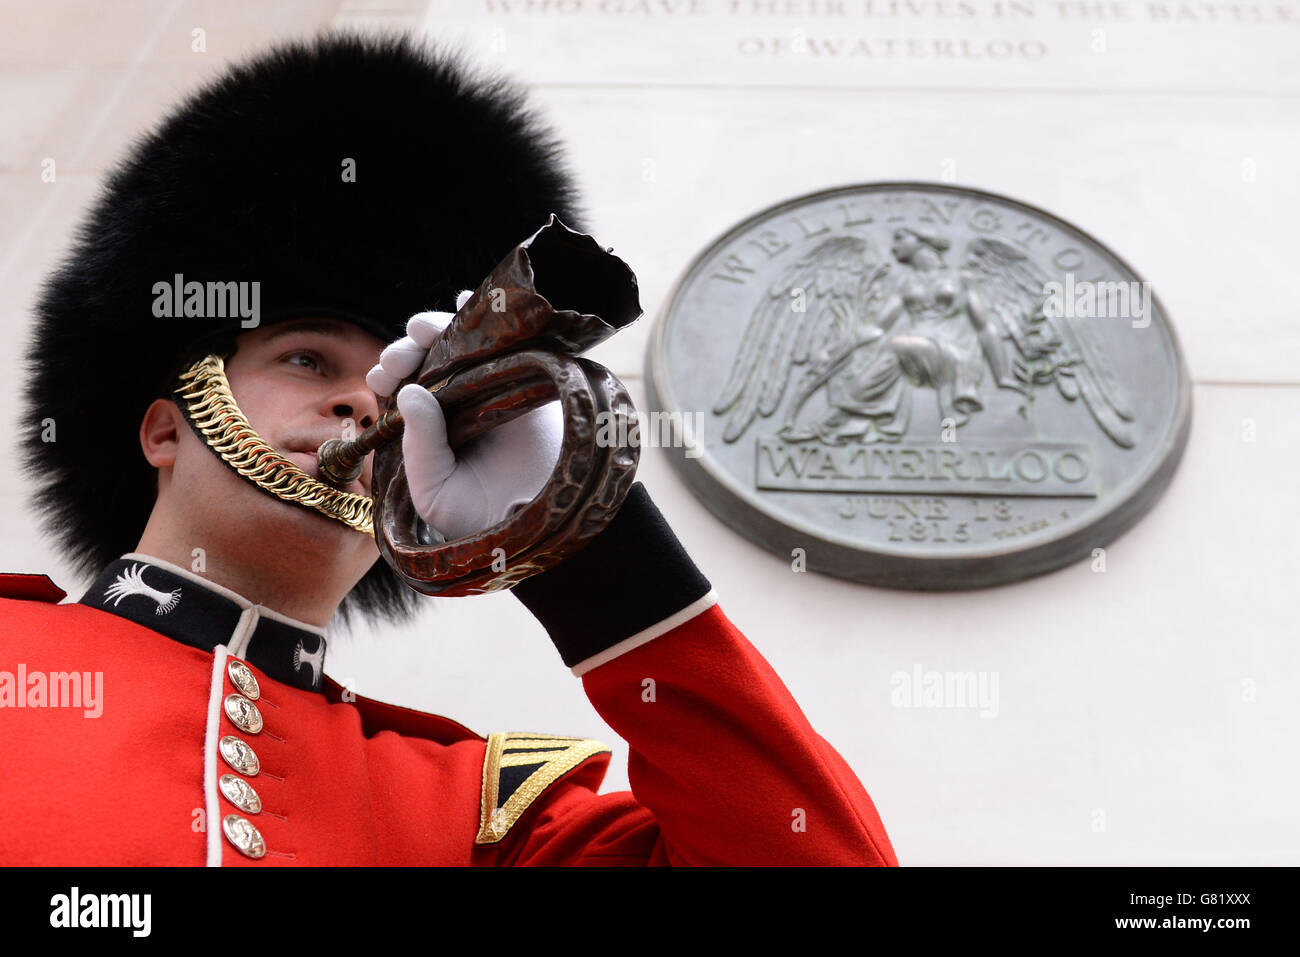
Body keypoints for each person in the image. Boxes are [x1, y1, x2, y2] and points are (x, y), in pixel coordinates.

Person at [0, 31, 898, 866]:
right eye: (308, 358)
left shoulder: (481, 816)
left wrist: (582, 531)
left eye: (395, 388)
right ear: (167, 425)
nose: (365, 399)